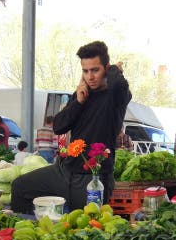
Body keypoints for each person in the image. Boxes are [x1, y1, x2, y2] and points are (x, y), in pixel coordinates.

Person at [11, 40, 131, 212]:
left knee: (83, 227)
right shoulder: (82, 93)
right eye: (85, 71)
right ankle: (36, 231)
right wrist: (79, 102)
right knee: (20, 187)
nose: (90, 76)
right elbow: (59, 126)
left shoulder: (116, 96)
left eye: (95, 70)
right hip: (63, 170)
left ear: (106, 67)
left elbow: (118, 84)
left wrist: (115, 69)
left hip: (92, 178)